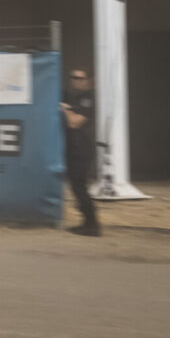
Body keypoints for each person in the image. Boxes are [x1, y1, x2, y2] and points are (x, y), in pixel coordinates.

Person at [60, 68, 101, 236]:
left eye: (79, 78)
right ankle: (86, 222)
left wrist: (65, 110)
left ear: (87, 80)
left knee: (80, 187)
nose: (75, 80)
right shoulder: (76, 98)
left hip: (82, 150)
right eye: (72, 76)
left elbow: (75, 123)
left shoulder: (88, 98)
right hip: (74, 149)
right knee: (77, 188)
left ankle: (92, 225)